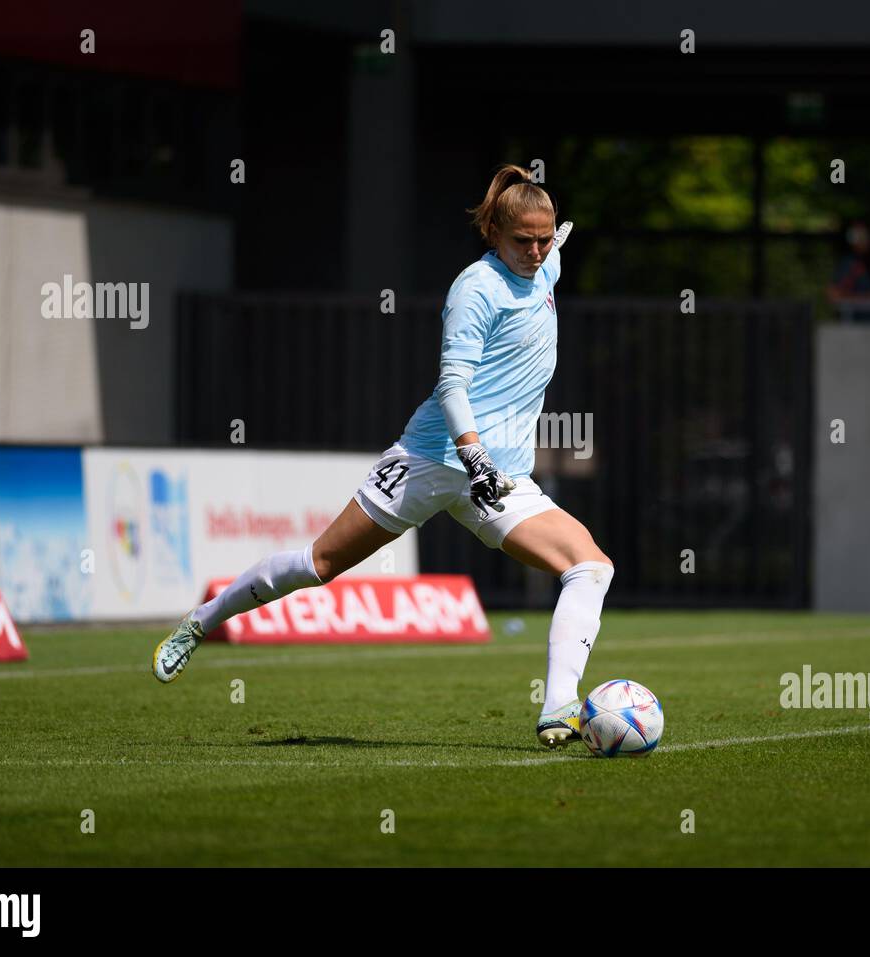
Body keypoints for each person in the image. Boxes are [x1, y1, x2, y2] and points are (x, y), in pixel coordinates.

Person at [151, 164, 614, 749]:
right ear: (492, 232)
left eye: (545, 239)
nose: (535, 250)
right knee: (319, 564)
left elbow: (551, 253)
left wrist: (488, 470)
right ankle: (201, 622)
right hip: (434, 457)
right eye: (522, 240)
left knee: (591, 567)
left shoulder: (548, 265)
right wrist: (473, 456)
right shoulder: (475, 289)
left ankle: (557, 710)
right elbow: (452, 385)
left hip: (500, 478)